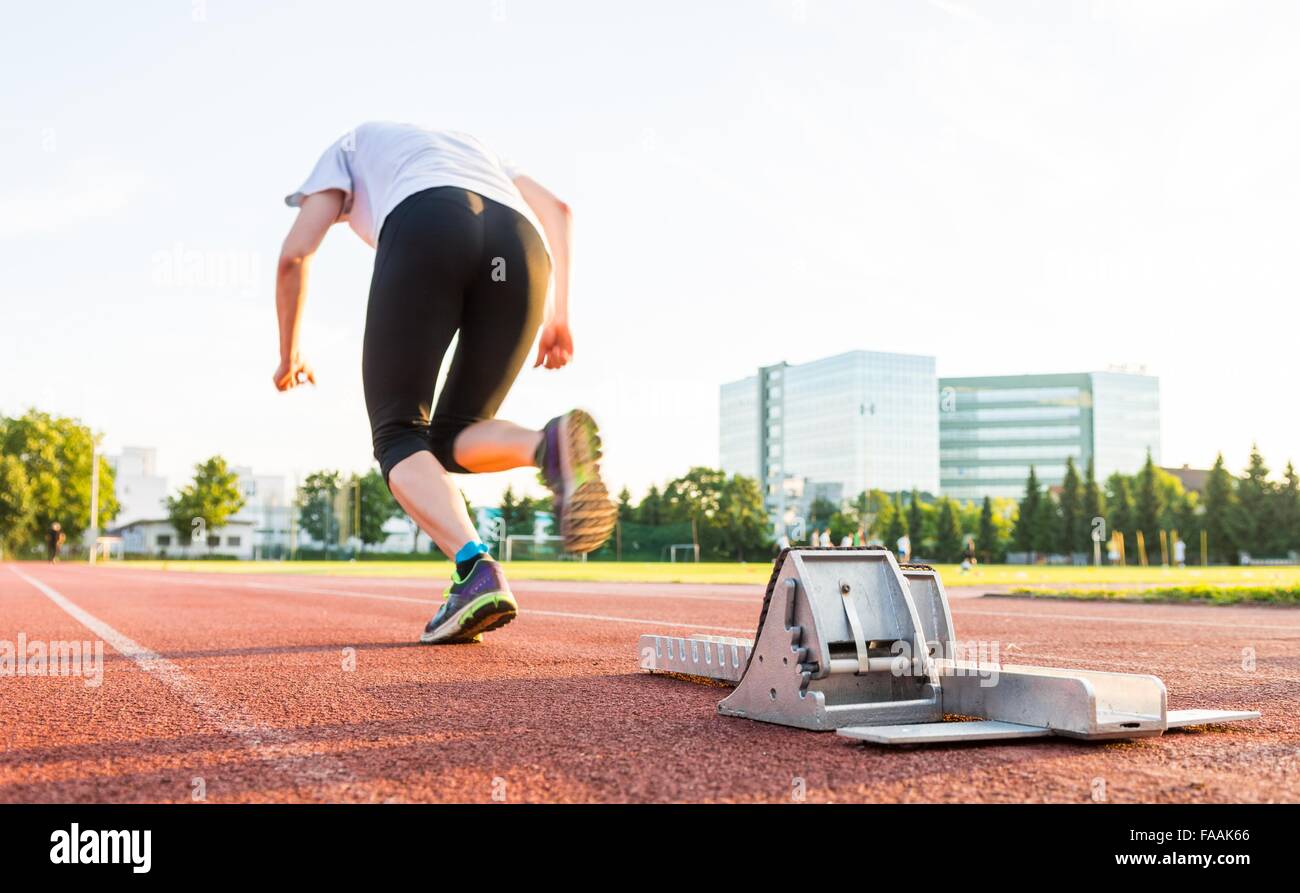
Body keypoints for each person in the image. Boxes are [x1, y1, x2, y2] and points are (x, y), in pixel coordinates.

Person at [274, 122, 616, 644]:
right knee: (455, 435)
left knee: (398, 433)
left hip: (429, 223)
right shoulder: (477, 149)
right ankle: (546, 444)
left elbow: (295, 255)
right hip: (521, 248)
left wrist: (289, 351)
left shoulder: (348, 146)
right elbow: (560, 212)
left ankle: (474, 569)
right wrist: (559, 316)